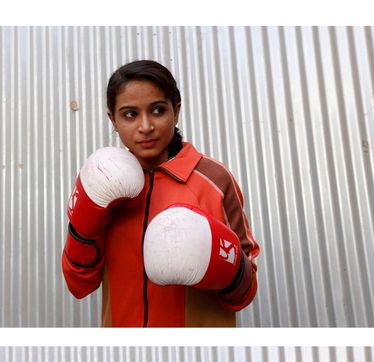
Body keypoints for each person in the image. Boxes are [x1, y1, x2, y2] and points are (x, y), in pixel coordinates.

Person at [61, 59, 260, 327]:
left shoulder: (213, 179)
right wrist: (82, 228)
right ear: (113, 119)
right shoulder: (102, 179)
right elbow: (79, 284)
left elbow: (245, 293)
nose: (145, 126)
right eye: (130, 114)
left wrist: (228, 268)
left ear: (175, 111)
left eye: (157, 110)